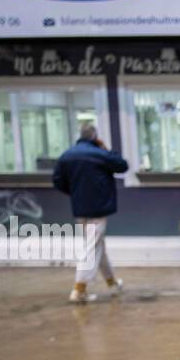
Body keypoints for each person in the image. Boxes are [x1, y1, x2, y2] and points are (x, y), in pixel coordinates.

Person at [53, 123, 129, 303]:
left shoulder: (66, 156)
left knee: (97, 245)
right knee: (91, 246)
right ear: (95, 136)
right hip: (99, 207)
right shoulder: (100, 154)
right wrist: (106, 149)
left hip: (80, 207)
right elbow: (122, 165)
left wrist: (75, 193)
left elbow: (57, 180)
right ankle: (79, 288)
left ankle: (112, 284)